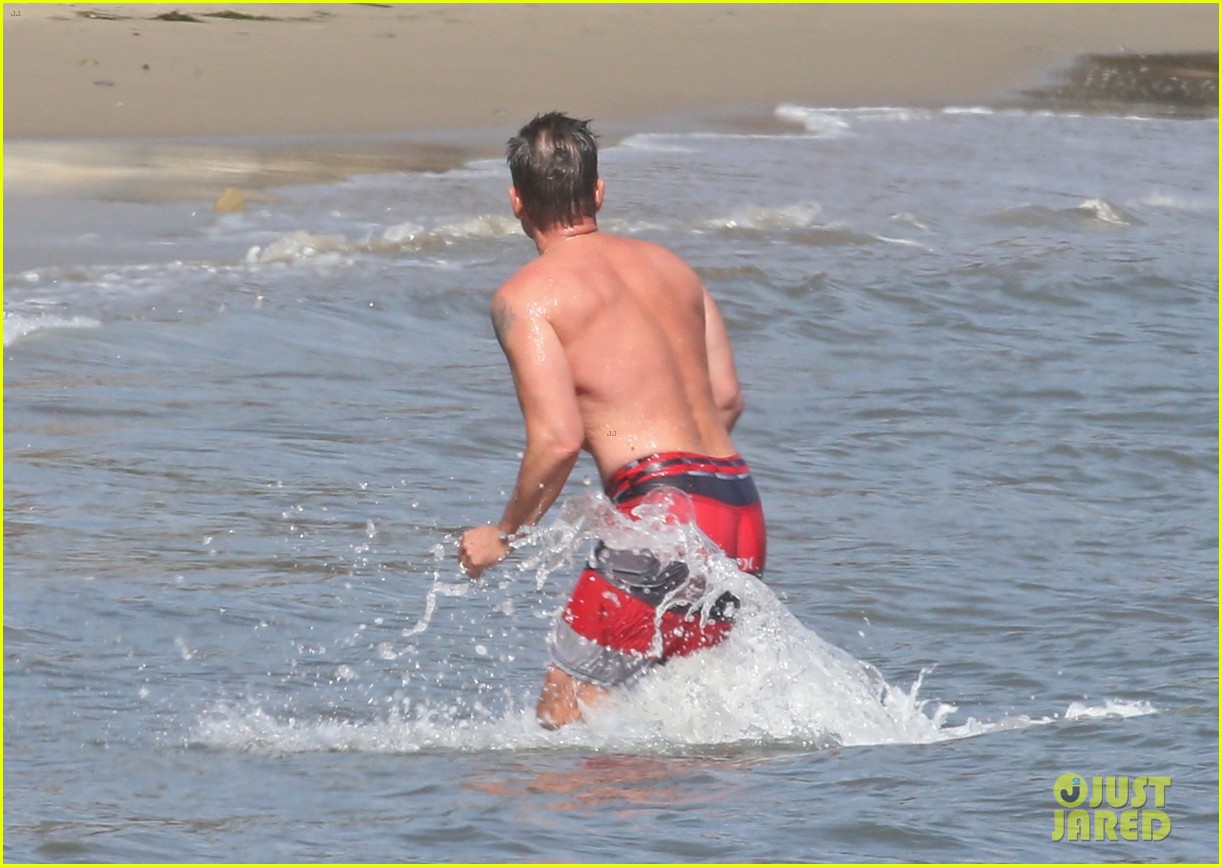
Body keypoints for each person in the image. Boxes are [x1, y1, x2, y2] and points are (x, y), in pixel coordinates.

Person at [458, 112, 766, 729]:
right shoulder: (674, 269)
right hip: (739, 509)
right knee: (661, 737)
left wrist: (505, 534)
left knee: (560, 738)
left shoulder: (525, 298)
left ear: (516, 201)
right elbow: (727, 398)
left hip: (664, 512)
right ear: (598, 192)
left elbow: (558, 439)